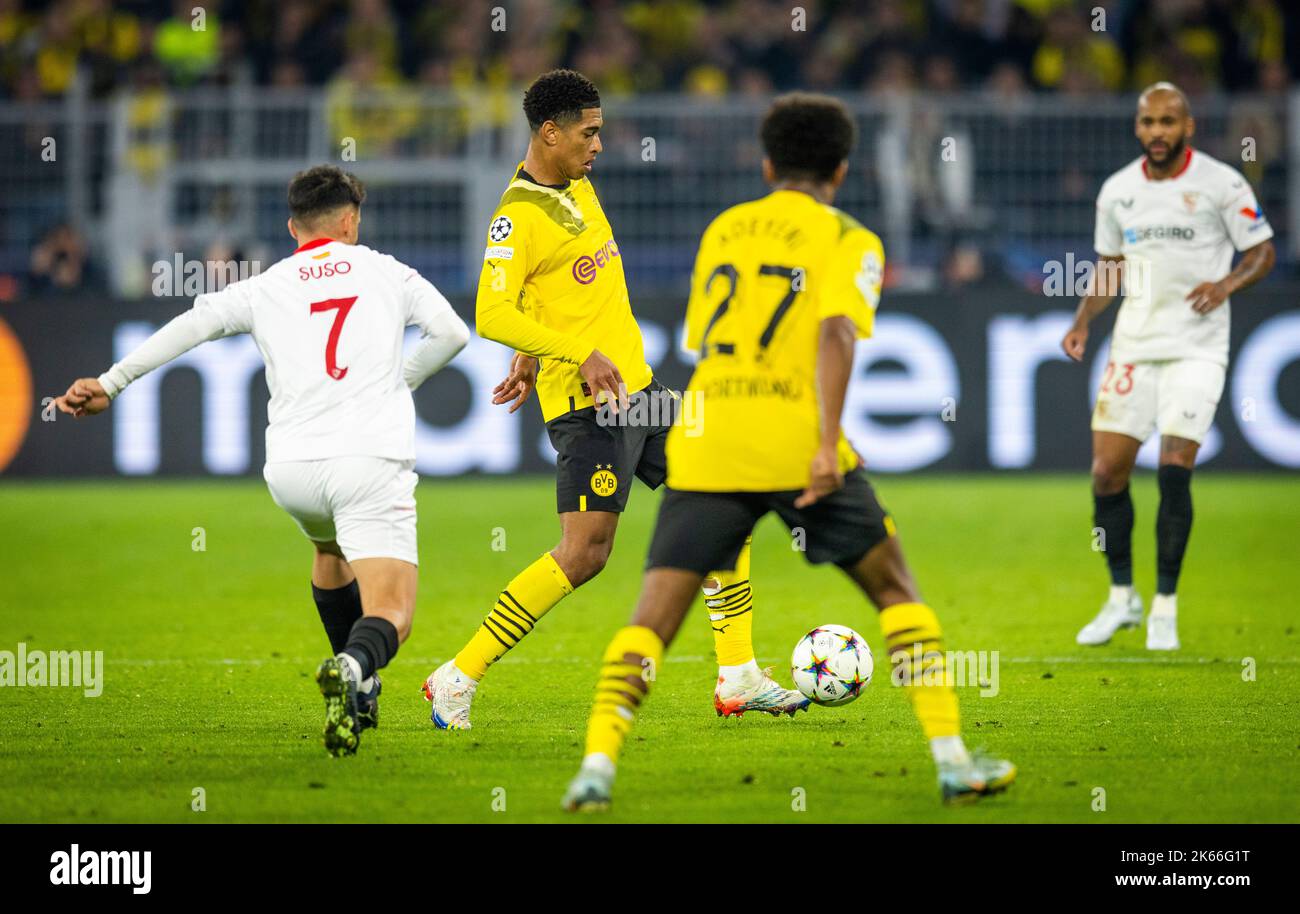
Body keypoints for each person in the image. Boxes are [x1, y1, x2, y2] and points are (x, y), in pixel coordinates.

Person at [561, 93, 1016, 812]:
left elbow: (701, 341)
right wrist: (828, 441)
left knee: (654, 617)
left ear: (768, 163)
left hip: (707, 438)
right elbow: (836, 334)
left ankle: (595, 767)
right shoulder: (849, 238)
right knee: (895, 589)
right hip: (793, 434)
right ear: (841, 168)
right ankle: (955, 761)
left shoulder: (725, 228)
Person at [422, 69, 809, 730]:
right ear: (550, 132)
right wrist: (565, 355)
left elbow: (553, 297)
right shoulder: (516, 219)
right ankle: (457, 675)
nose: (600, 144)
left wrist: (530, 351)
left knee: (724, 497)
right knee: (585, 554)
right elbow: (490, 310)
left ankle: (738, 673)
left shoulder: (577, 186)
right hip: (588, 405)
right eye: (589, 132)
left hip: (640, 389)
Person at [53, 165, 470, 756]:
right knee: (394, 613)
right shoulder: (387, 270)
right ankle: (354, 667)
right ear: (350, 221)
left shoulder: (267, 284)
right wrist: (396, 381)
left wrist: (111, 382)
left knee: (329, 549)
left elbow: (192, 326)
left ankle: (360, 683)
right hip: (368, 459)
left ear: (293, 227)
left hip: (291, 471)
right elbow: (452, 334)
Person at [1062, 82, 1275, 651]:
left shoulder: (1222, 184)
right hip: (1134, 343)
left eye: (1168, 122)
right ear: (1138, 128)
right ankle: (1121, 597)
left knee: (1174, 466)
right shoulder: (1118, 192)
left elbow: (1262, 251)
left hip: (1197, 348)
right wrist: (1083, 321)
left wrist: (1227, 282)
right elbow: (1110, 268)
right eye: (1148, 122)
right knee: (1107, 474)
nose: (1157, 131)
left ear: (1188, 127)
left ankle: (1165, 607)